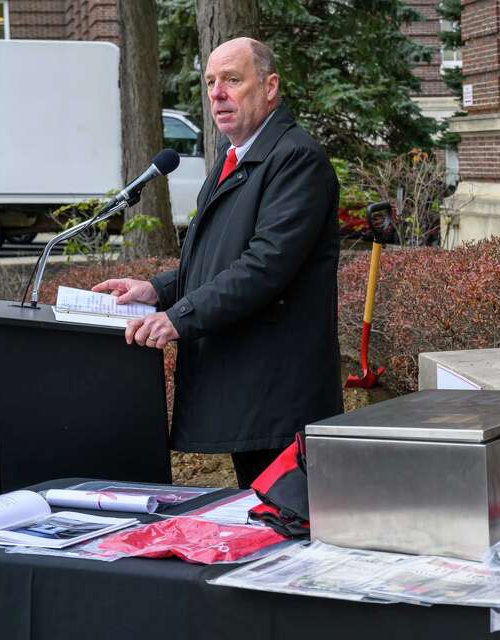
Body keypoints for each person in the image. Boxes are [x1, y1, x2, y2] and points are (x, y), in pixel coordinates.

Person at [92, 38, 342, 487]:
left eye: (232, 79)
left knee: (290, 529)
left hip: (278, 398)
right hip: (250, 393)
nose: (217, 94)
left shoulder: (296, 159)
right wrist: (157, 290)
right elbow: (214, 260)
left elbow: (265, 266)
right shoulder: (234, 159)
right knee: (266, 522)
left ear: (270, 87)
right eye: (210, 83)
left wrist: (178, 318)